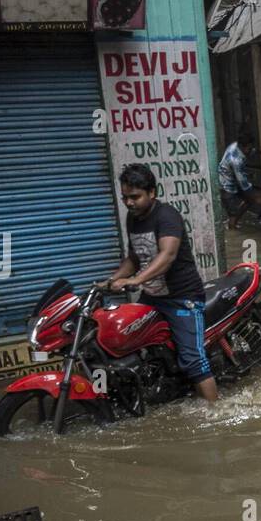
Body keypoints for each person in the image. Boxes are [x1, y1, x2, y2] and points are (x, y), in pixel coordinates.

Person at [107, 163, 219, 402]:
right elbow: (135, 257)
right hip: (152, 297)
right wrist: (113, 279)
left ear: (152, 193)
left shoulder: (167, 216)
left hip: (182, 298)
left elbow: (166, 255)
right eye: (125, 197)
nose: (129, 203)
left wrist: (135, 280)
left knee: (193, 360)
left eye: (135, 197)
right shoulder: (133, 218)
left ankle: (215, 412)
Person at [218, 131, 261, 229]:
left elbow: (253, 150)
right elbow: (243, 184)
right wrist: (255, 196)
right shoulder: (236, 160)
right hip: (226, 185)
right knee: (232, 215)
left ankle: (235, 222)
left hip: (233, 180)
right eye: (249, 147)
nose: (250, 150)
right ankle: (233, 228)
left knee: (249, 200)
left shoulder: (237, 145)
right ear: (243, 146)